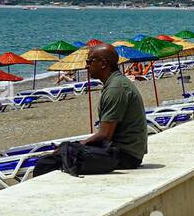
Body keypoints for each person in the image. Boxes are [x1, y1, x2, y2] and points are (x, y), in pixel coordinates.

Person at [32, 44, 147, 176]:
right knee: (64, 152)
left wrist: (75, 146)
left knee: (48, 162)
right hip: (127, 152)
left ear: (103, 63)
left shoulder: (115, 88)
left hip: (125, 156)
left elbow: (105, 135)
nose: (86, 66)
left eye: (89, 61)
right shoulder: (117, 83)